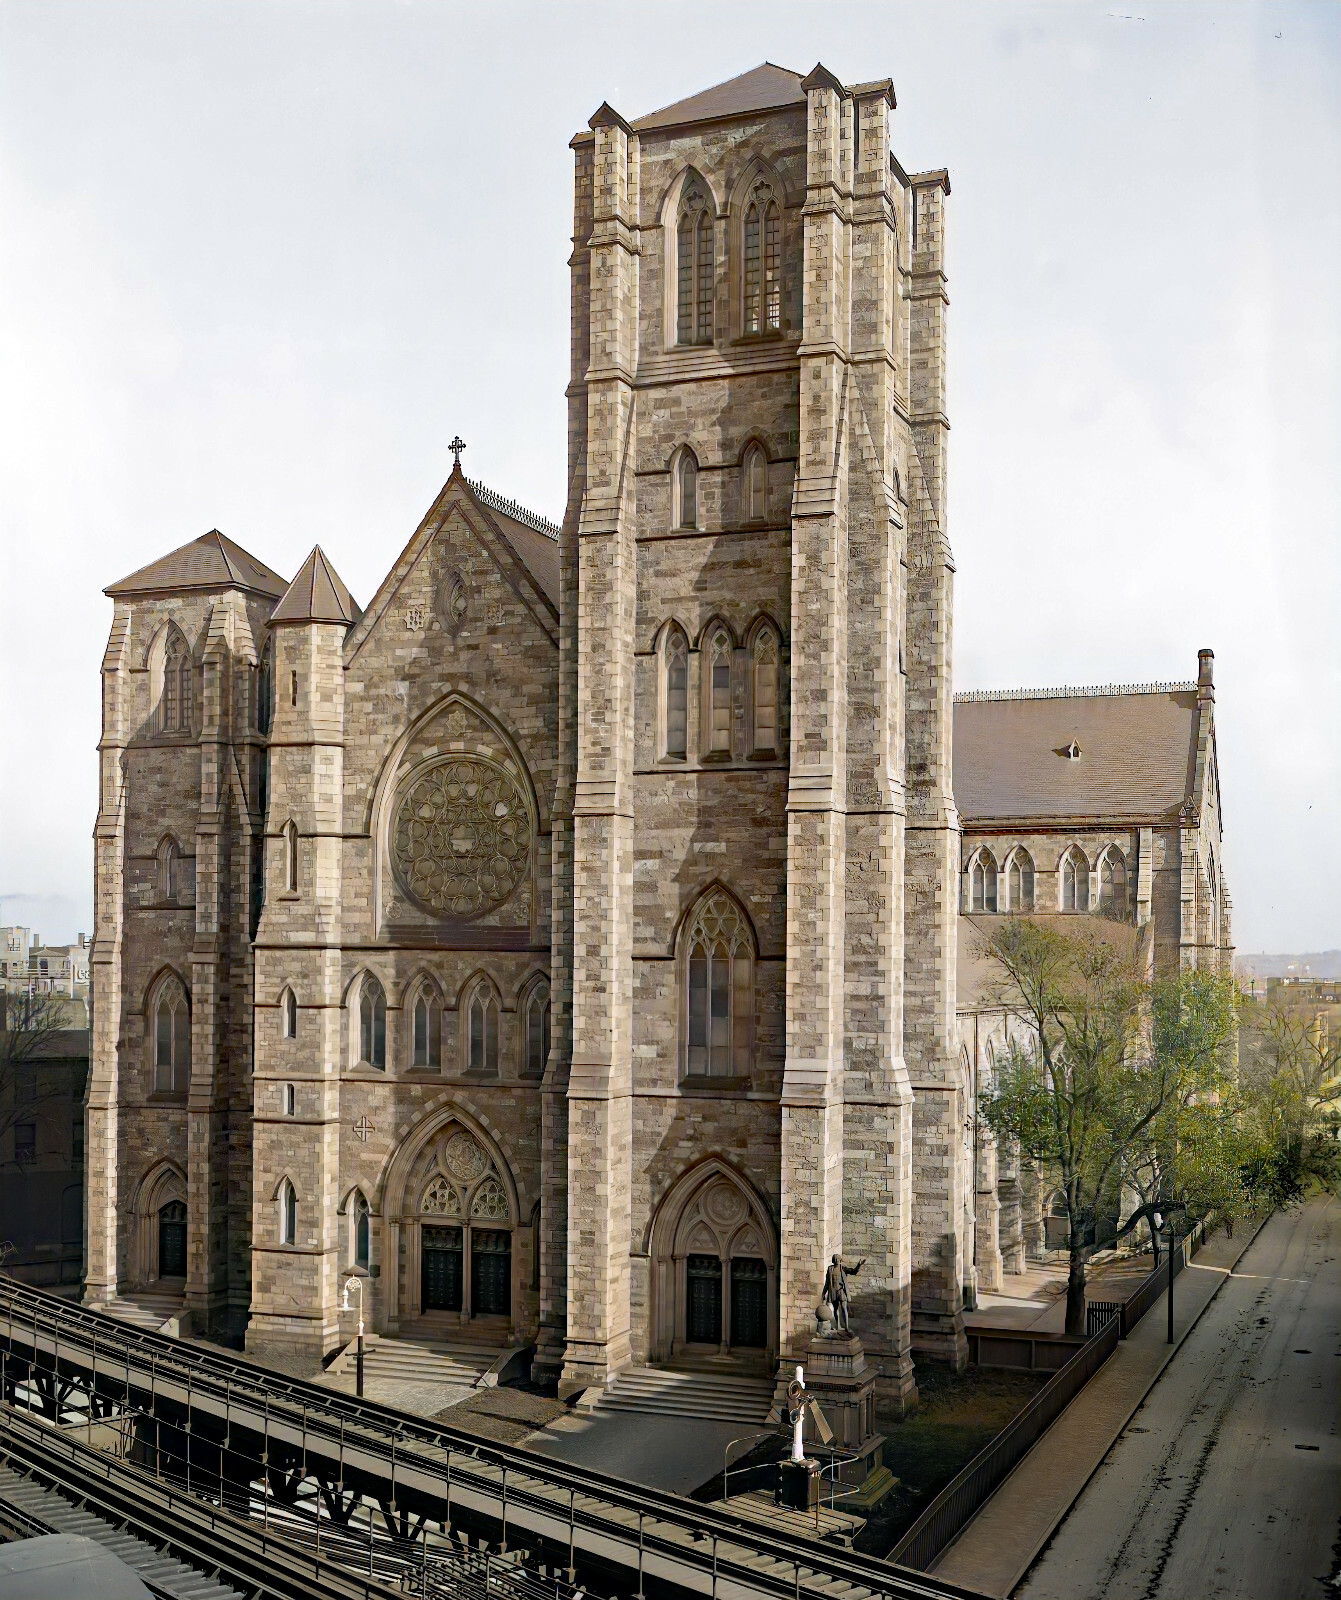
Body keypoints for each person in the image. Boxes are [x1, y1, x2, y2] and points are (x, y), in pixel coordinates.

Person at [821, 1253, 865, 1335]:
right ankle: (838, 1326)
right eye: (835, 1259)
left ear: (840, 1260)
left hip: (841, 1291)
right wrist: (823, 1293)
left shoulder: (843, 1269)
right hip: (833, 1291)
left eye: (838, 1259)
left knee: (844, 1309)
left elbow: (853, 1272)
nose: (837, 1260)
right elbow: (827, 1283)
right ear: (833, 1260)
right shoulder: (830, 1269)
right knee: (835, 1309)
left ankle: (847, 1327)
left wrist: (858, 1265)